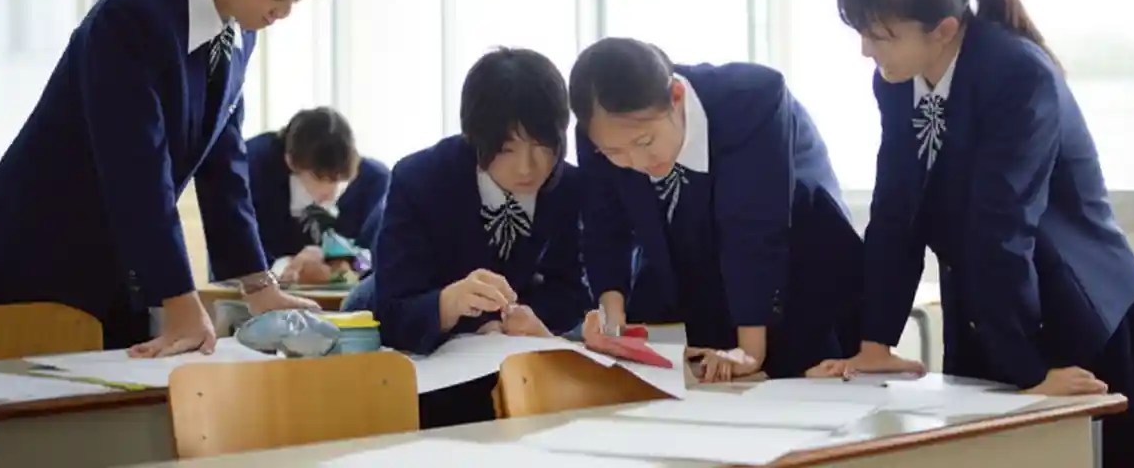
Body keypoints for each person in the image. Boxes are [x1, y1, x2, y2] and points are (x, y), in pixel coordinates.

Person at [808, 0, 1134, 467]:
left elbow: (1000, 228)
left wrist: (1031, 372)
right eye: (861, 31)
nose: (866, 50)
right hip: (992, 309)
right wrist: (874, 342)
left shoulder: (1016, 73)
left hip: (1072, 315)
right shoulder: (897, 79)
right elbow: (895, 212)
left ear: (944, 28)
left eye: (881, 34)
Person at [0, 0, 331, 356]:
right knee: (32, 409)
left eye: (294, 0)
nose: (282, 12)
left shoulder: (239, 30)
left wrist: (259, 288)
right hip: (42, 247)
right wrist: (179, 296)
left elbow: (224, 163)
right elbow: (136, 167)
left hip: (121, 256)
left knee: (121, 399)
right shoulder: (134, 16)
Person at [570, 38, 863, 381]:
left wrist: (750, 352)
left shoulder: (751, 100)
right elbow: (605, 228)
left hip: (797, 268)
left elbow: (753, 231)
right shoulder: (601, 135)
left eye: (644, 142)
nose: (635, 162)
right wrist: (611, 321)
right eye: (614, 153)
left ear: (676, 97)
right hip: (700, 277)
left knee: (795, 391)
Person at [368, 48, 591, 356]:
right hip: (431, 354)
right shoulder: (420, 180)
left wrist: (524, 319)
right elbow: (393, 310)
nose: (527, 168)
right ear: (474, 138)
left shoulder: (571, 188)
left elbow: (572, 292)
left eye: (542, 145)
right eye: (506, 149)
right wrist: (448, 304)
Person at [246, 107, 390, 284]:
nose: (331, 192)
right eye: (319, 179)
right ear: (291, 161)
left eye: (340, 181)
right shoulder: (254, 167)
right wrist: (284, 267)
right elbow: (236, 249)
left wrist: (347, 266)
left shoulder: (373, 181)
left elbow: (375, 261)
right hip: (260, 290)